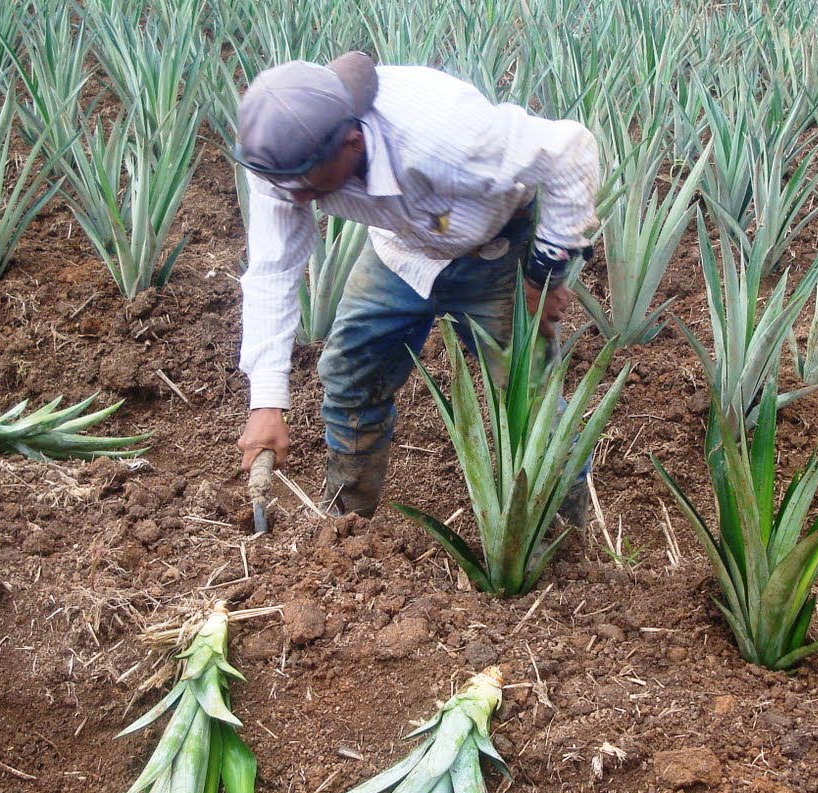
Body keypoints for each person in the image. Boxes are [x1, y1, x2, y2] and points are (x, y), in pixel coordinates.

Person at [231, 51, 601, 518]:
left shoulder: (446, 134)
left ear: (352, 142)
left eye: (305, 185)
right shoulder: (283, 164)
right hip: (399, 254)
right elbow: (273, 269)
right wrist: (265, 401)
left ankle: (560, 538)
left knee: (530, 399)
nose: (296, 198)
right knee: (350, 377)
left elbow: (571, 152)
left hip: (493, 252)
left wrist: (543, 274)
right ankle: (347, 525)